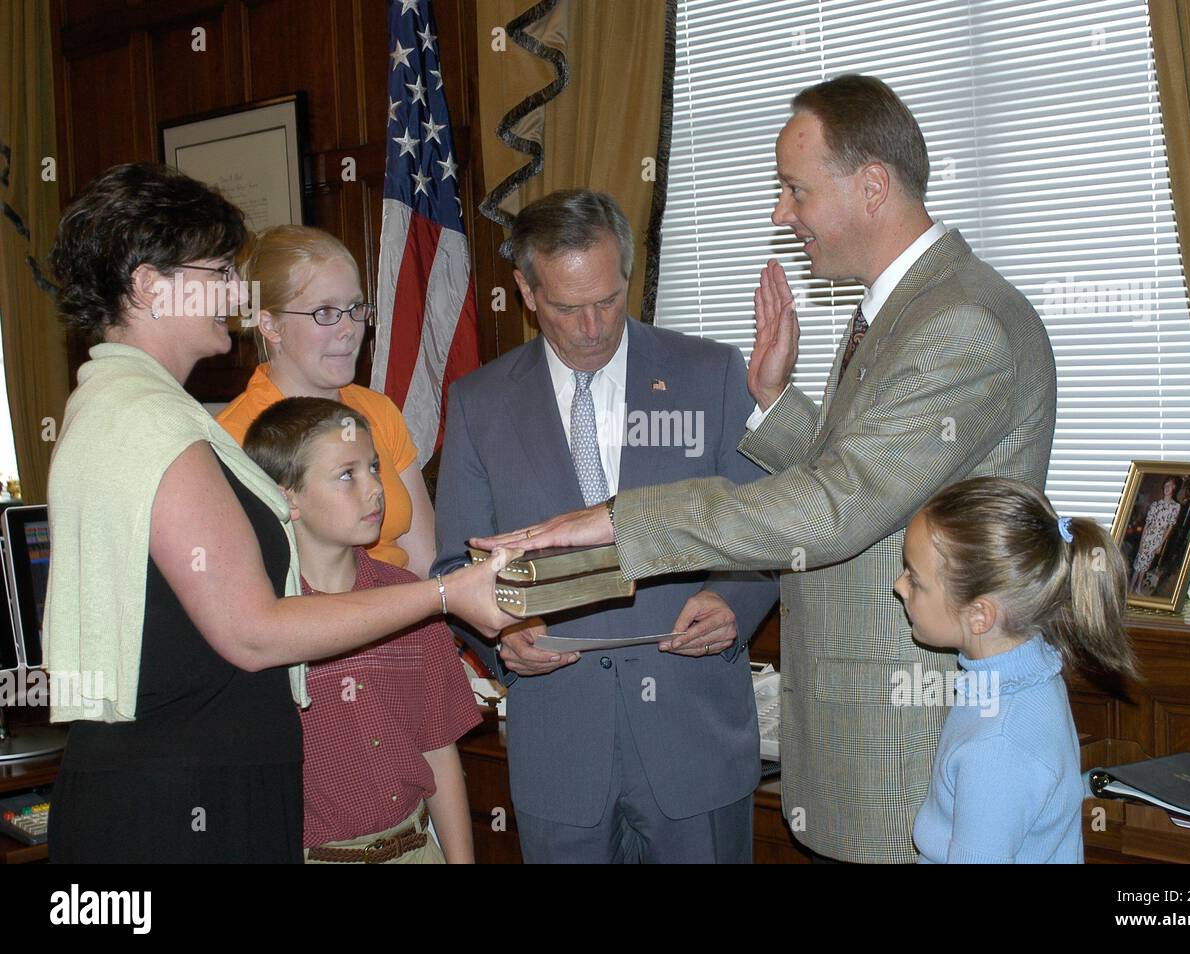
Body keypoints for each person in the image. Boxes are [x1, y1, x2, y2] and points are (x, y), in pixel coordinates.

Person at [475, 75, 1059, 863]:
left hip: (900, 731)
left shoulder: (956, 322)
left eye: (796, 190)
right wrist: (777, 400)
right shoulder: (906, 306)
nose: (782, 214)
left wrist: (621, 519)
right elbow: (872, 476)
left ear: (873, 187)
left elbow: (837, 509)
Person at [43, 163, 516, 864]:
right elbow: (254, 632)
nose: (235, 294)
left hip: (193, 778)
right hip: (181, 798)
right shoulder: (146, 423)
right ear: (148, 285)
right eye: (217, 272)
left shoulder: (128, 406)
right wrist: (446, 595)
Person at [432, 189, 778, 863]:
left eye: (609, 298)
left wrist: (734, 602)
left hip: (694, 737)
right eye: (566, 306)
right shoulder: (478, 404)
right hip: (561, 749)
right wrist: (506, 630)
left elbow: (769, 527)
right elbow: (454, 568)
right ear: (526, 292)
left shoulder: (711, 374)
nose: (592, 325)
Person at [243, 397, 480, 863]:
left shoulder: (408, 596)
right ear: (287, 495)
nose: (375, 488)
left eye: (374, 467)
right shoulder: (260, 620)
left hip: (416, 846)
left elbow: (439, 748)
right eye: (347, 475)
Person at [897, 477, 1136, 863]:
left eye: (915, 579)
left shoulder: (997, 746)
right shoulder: (1029, 674)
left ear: (979, 615)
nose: (899, 586)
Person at [217, 225, 436, 574]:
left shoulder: (378, 410)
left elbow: (427, 564)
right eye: (325, 313)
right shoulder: (232, 440)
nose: (349, 329)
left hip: (407, 611)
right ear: (270, 325)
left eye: (355, 307)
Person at [1129, 476, 1181, 592]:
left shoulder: (1175, 507)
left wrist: (1160, 544)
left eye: (1169, 486)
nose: (1167, 488)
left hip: (1157, 539)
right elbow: (1147, 525)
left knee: (1146, 564)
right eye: (1165, 485)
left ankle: (1137, 588)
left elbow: (1169, 528)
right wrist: (1142, 542)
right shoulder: (1156, 505)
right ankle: (1131, 588)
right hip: (1147, 537)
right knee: (1139, 564)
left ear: (1174, 488)